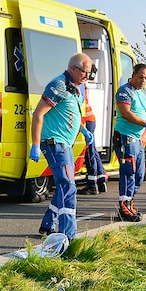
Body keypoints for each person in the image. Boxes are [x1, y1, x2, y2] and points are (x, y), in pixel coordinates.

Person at [30, 53, 93, 239]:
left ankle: (47, 225)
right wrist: (35, 144)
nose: (87, 77)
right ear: (72, 68)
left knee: (65, 185)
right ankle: (67, 234)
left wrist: (82, 130)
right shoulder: (59, 85)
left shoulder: (73, 88)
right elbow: (38, 114)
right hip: (55, 143)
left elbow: (67, 113)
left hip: (65, 144)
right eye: (84, 72)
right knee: (68, 186)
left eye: (89, 73)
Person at [113, 63, 146, 221]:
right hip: (125, 136)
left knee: (139, 174)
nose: (143, 80)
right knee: (128, 172)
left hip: (137, 139)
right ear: (133, 75)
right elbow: (126, 113)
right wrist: (145, 124)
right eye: (141, 77)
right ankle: (124, 207)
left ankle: (130, 201)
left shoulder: (142, 93)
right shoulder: (125, 91)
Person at [78, 81, 107, 194]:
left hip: (86, 120)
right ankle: (101, 180)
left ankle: (92, 185)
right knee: (93, 150)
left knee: (89, 152)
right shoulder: (81, 84)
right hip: (90, 119)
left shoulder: (77, 84)